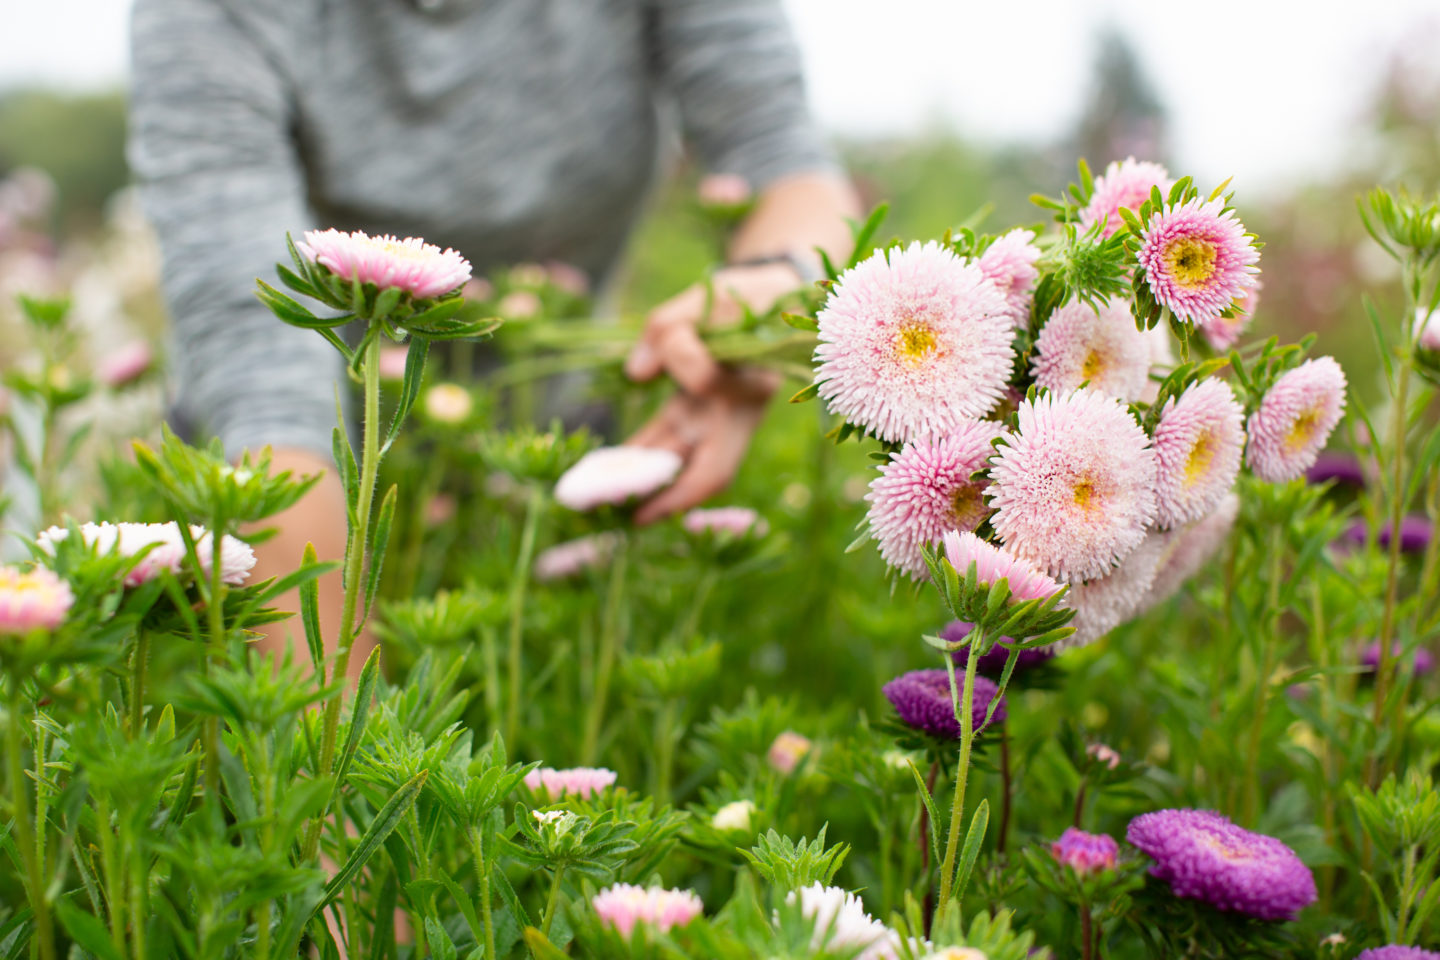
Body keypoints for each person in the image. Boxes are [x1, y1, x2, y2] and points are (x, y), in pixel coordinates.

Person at [129, 0, 860, 677]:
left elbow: (784, 161)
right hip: (275, 493)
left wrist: (768, 295)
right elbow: (256, 349)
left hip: (552, 462)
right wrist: (329, 763)